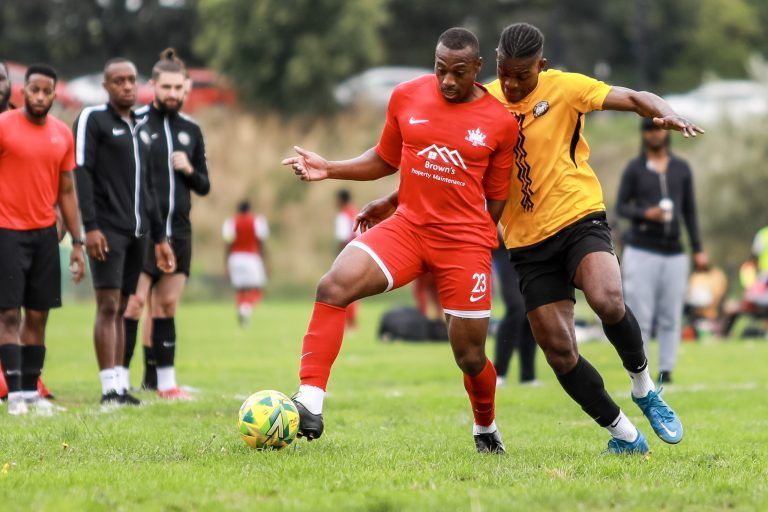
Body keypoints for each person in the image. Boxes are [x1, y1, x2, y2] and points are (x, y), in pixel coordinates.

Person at [357, 22, 704, 455]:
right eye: (505, 73)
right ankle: (624, 435)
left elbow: (633, 97)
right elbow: (444, 162)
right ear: (494, 66)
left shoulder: (567, 88)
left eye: (523, 75)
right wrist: (393, 202)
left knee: (608, 299)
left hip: (578, 217)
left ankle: (644, 387)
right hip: (525, 243)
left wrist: (661, 111)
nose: (512, 83)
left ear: (542, 65)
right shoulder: (482, 100)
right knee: (560, 352)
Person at [282, 28, 518, 453]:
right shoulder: (407, 96)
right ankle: (310, 401)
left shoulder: (500, 123)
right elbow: (385, 158)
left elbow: (496, 199)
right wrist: (329, 168)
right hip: (408, 227)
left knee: (469, 356)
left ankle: (485, 427)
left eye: (458, 72)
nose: (447, 80)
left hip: (463, 243)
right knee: (333, 286)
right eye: (440, 68)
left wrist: (475, 244)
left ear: (477, 70)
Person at [74, 58, 175, 406]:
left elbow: (148, 187)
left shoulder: (141, 127)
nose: (127, 86)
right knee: (106, 305)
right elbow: (81, 172)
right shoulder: (93, 119)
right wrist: (90, 227)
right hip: (107, 230)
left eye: (132, 80)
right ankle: (107, 389)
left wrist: (159, 238)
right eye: (119, 81)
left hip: (138, 234)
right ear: (106, 86)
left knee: (122, 305)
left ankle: (119, 386)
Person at [121, 49, 210, 400]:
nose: (173, 94)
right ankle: (117, 382)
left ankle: (164, 383)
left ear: (186, 87)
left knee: (167, 307)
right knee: (134, 305)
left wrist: (188, 168)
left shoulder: (191, 129)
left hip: (180, 231)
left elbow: (204, 185)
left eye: (178, 87)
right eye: (166, 87)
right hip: (143, 232)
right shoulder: (136, 123)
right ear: (153, 85)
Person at [0, 64, 86, 415]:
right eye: (33, 90)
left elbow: (66, 190)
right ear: (22, 92)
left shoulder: (62, 134)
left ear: (54, 95)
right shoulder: (3, 126)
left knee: (38, 317)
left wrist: (77, 242)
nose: (38, 96)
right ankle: (16, 397)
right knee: (8, 315)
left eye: (45, 91)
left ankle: (32, 393)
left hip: (45, 236)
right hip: (6, 232)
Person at [617, 118, 708, 384]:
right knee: (641, 314)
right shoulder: (635, 169)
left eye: (658, 129)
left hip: (674, 252)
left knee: (671, 314)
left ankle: (666, 370)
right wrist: (647, 213)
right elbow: (622, 207)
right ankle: (640, 371)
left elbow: (690, 211)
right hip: (642, 249)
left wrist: (698, 249)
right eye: (649, 130)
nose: (654, 135)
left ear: (665, 132)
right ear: (643, 134)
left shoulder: (681, 168)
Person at [0, 61, 54, 401]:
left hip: (23, 232)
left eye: (1, 78)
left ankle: (24, 385)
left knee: (26, 310)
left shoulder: (23, 125)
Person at [492, 232, 537, 386]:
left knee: (531, 309)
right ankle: (498, 373)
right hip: (506, 248)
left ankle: (528, 376)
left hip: (530, 247)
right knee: (516, 308)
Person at [222, 200, 270, 326]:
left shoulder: (231, 222)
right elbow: (261, 242)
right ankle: (246, 309)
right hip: (251, 257)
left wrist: (226, 264)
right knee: (256, 288)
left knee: (240, 289)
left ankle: (242, 310)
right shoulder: (257, 221)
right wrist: (265, 260)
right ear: (250, 209)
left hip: (235, 258)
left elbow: (228, 243)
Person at [334, 189, 360, 330]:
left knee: (345, 289)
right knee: (354, 289)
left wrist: (338, 258)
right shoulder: (356, 212)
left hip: (348, 254)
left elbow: (342, 238)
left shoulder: (343, 215)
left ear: (340, 200)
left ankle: (349, 324)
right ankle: (352, 323)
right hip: (360, 252)